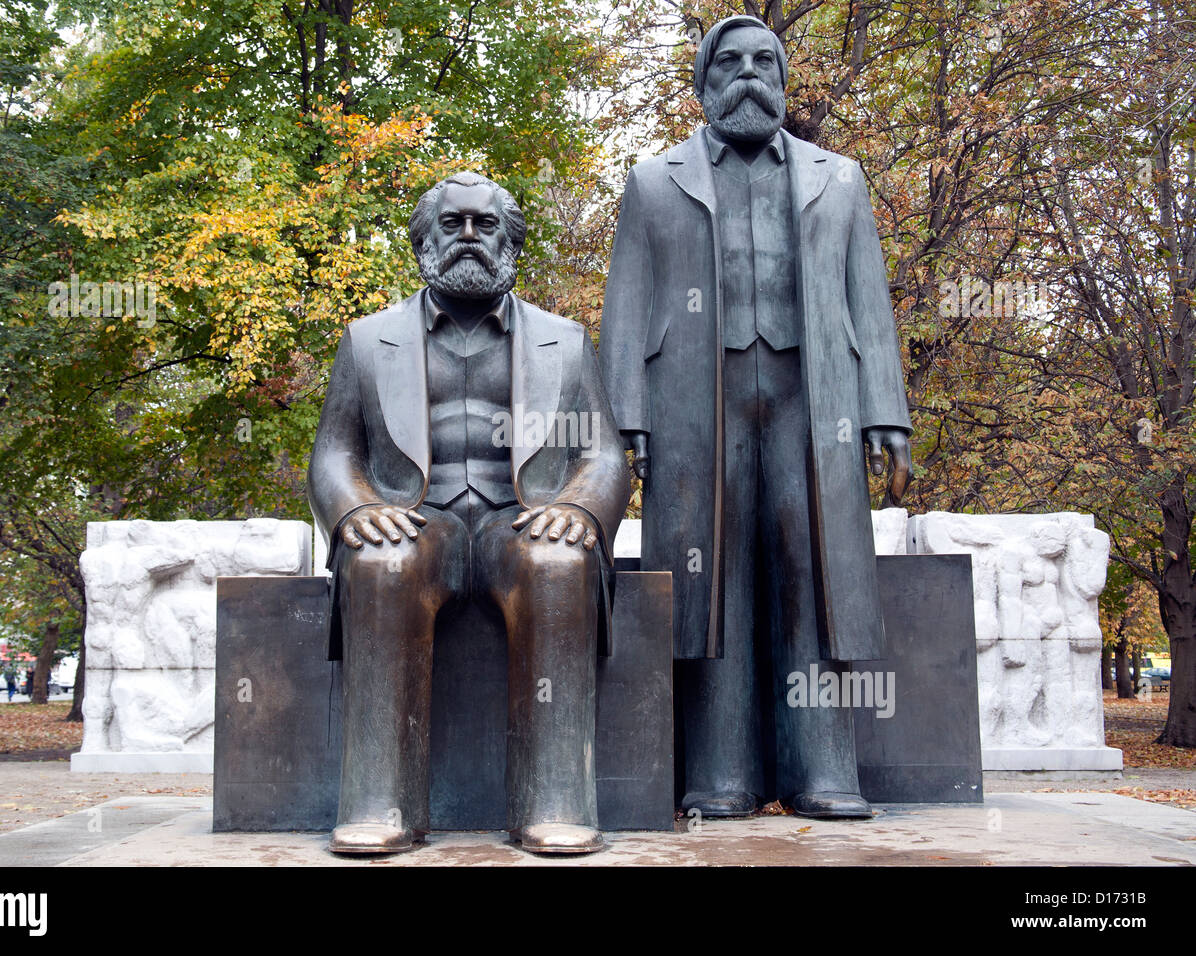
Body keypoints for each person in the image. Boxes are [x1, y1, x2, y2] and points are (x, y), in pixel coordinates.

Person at [599, 15, 913, 819]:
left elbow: (867, 301)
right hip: (693, 404)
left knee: (817, 577)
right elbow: (627, 307)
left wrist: (887, 411)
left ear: (782, 78)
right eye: (728, 62)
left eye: (762, 61)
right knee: (713, 581)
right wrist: (623, 416)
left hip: (819, 401)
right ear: (704, 84)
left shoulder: (839, 179)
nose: (747, 74)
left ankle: (825, 770)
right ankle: (720, 773)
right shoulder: (653, 182)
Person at [307, 172, 629, 854]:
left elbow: (602, 456)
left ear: (511, 241)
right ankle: (379, 804)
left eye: (486, 226)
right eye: (452, 225)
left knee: (554, 560)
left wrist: (580, 508)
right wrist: (355, 510)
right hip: (418, 520)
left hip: (522, 516)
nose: (470, 238)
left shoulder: (565, 341)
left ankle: (556, 803)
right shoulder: (367, 341)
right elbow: (334, 455)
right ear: (424, 241)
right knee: (384, 560)